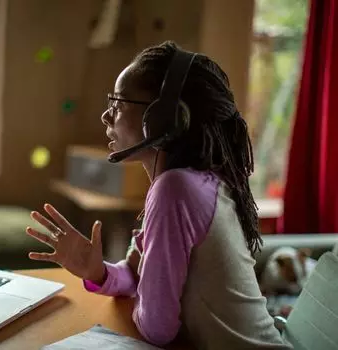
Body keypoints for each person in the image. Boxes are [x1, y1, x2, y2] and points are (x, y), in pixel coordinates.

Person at [25, 41, 292, 349]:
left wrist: (142, 292)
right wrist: (97, 271)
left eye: (119, 104)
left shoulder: (176, 190)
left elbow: (157, 328)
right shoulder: (197, 182)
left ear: (164, 119)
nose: (105, 117)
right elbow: (137, 273)